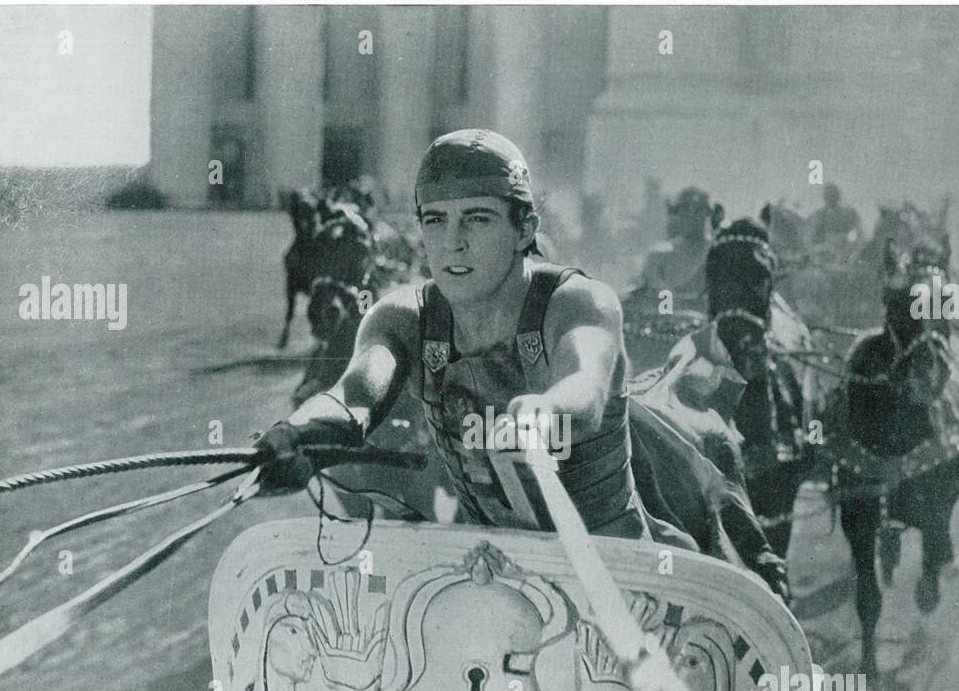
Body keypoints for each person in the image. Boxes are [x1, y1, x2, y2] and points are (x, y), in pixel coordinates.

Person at [254, 129, 786, 597]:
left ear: (525, 228)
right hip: (490, 576)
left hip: (623, 575)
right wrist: (300, 434)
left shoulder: (578, 301)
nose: (452, 243)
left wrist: (545, 410)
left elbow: (587, 387)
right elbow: (354, 398)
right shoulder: (402, 315)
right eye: (435, 220)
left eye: (477, 219)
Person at [630, 186, 718, 313]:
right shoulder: (659, 255)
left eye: (698, 209)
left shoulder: (719, 252)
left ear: (708, 213)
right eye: (685, 208)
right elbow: (658, 295)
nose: (691, 215)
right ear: (677, 213)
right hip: (668, 321)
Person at [806, 182, 863, 262]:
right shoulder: (818, 215)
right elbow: (809, 237)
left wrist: (846, 254)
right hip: (822, 255)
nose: (830, 198)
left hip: (844, 254)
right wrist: (815, 253)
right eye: (827, 195)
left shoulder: (849, 214)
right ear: (824, 197)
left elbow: (856, 236)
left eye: (833, 195)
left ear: (838, 196)